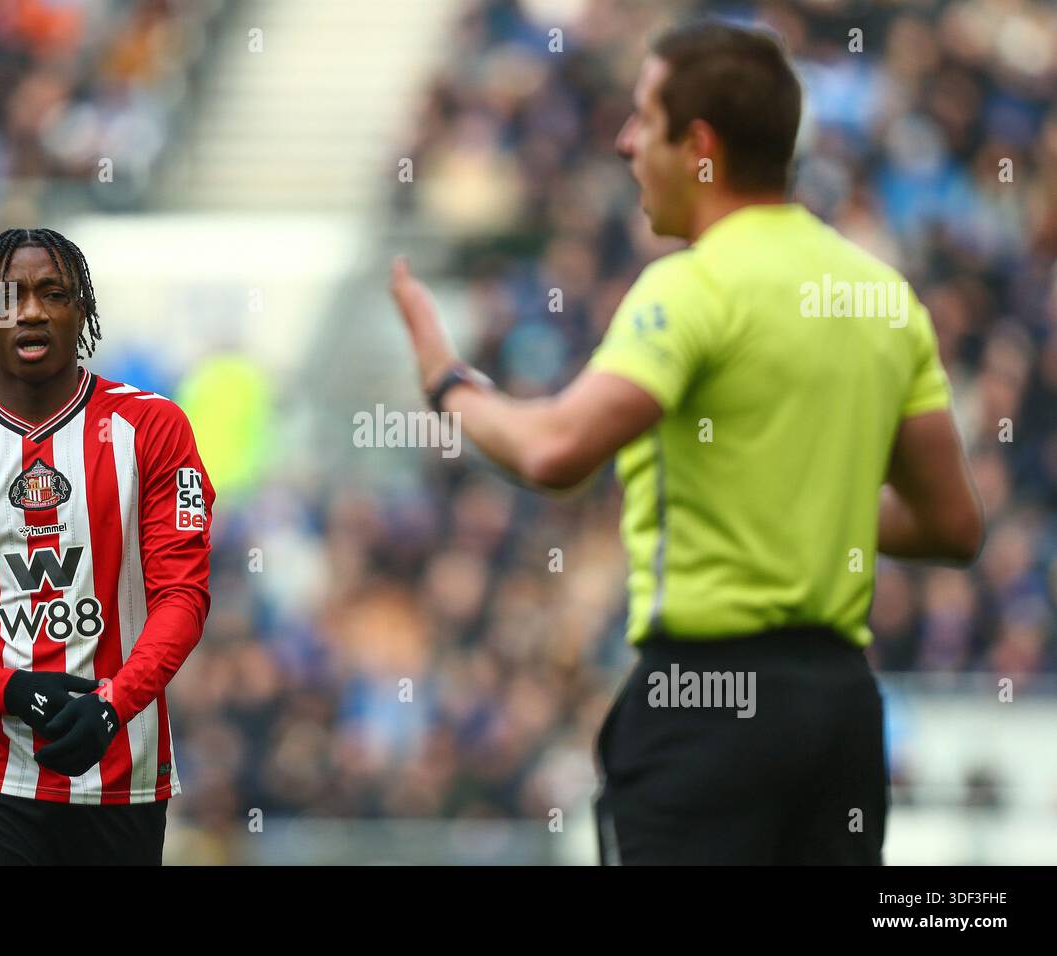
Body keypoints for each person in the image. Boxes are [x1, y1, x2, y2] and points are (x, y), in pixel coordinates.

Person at [388, 20, 983, 864]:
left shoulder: (694, 289)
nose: (627, 144)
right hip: (843, 715)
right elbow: (954, 526)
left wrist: (450, 384)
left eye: (643, 118)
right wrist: (809, 505)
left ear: (697, 144)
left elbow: (557, 451)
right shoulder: (882, 296)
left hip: (705, 707)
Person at [0, 228, 214, 865]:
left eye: (52, 293)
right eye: (10, 296)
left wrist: (113, 705)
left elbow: (184, 599)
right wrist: (9, 690)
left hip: (122, 777)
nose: (31, 310)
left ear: (82, 309)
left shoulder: (153, 429)